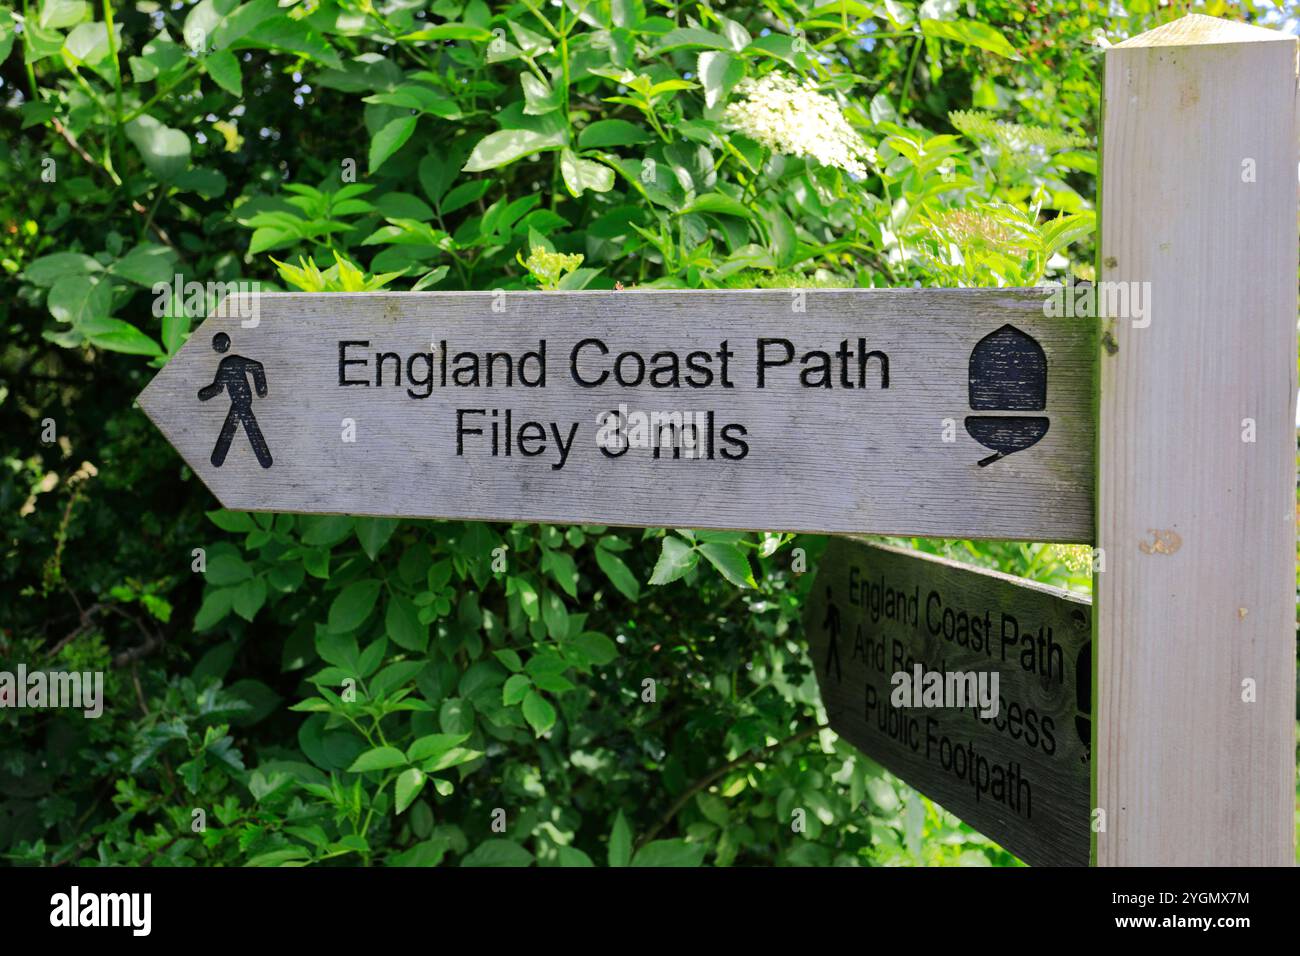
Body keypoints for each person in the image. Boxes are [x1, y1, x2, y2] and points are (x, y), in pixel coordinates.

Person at [198, 332, 273, 469]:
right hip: (241, 400)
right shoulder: (228, 363)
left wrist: (261, 389)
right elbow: (219, 388)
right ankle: (263, 459)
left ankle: (219, 459)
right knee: (240, 427)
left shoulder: (230, 362)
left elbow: (257, 368)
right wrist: (204, 394)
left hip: (242, 400)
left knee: (241, 427)